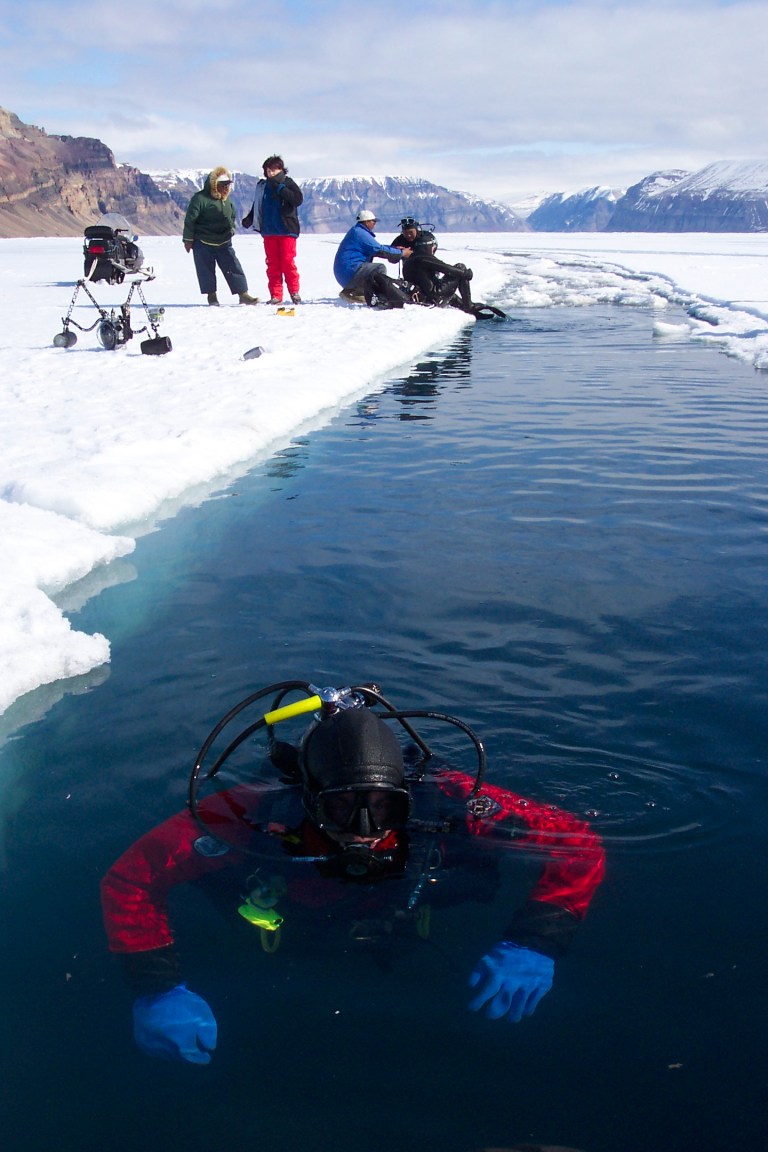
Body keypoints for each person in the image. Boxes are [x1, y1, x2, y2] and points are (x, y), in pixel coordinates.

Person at [101, 682, 604, 1065]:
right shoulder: (250, 812)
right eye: (341, 808)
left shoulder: (448, 798)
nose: (364, 829)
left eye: (385, 807)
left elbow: (577, 842)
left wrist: (536, 940)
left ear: (405, 796)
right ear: (308, 797)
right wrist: (157, 988)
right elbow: (132, 878)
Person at [182, 167, 258, 306]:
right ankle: (212, 296)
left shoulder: (228, 201)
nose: (226, 187)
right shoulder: (200, 199)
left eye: (228, 184)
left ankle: (243, 294)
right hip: (202, 241)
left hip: (224, 241)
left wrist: (232, 229)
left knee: (233, 266)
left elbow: (232, 217)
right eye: (223, 185)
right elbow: (190, 219)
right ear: (214, 184)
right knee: (206, 270)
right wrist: (188, 239)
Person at [242, 155, 303, 304]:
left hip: (287, 230)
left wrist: (281, 189)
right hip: (269, 231)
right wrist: (250, 218)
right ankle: (276, 295)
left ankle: (294, 292)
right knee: (272, 264)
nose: (270, 173)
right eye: (268, 170)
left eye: (273, 170)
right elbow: (257, 205)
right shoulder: (263, 186)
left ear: (281, 169)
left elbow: (297, 200)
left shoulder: (287, 182)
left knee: (287, 262)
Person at [333, 210, 413, 308]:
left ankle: (353, 291)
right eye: (373, 221)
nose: (374, 224)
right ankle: (379, 296)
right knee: (379, 268)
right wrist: (402, 253)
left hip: (345, 273)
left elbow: (375, 247)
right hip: (350, 272)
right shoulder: (360, 234)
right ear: (367, 222)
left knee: (373, 270)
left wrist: (395, 249)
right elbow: (379, 250)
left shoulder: (357, 231)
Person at [401, 230, 476, 312]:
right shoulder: (423, 258)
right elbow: (446, 268)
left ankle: (466, 306)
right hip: (435, 297)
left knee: (449, 291)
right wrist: (465, 273)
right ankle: (468, 306)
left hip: (424, 299)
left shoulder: (409, 261)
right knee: (460, 267)